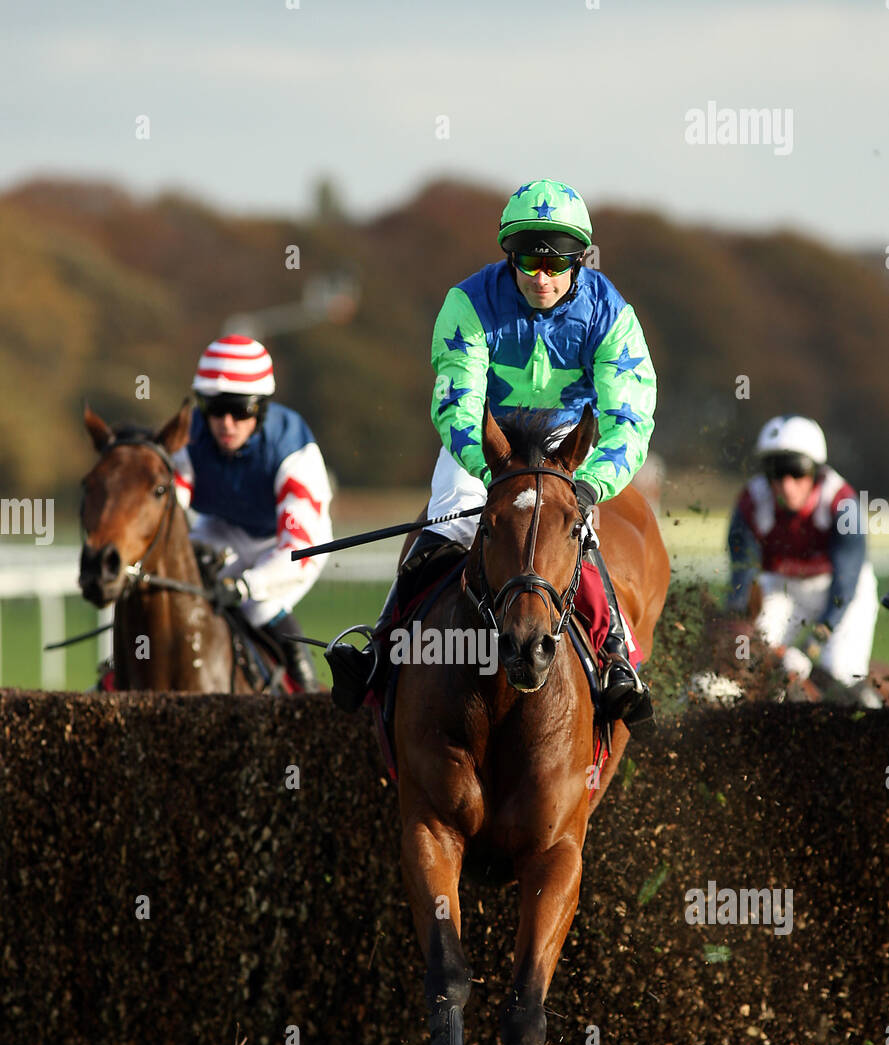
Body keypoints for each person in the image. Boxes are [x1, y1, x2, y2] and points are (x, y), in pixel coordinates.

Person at [327, 179, 657, 723]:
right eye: (530, 260)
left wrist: (590, 482)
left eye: (559, 262)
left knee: (578, 533)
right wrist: (494, 472)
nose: (543, 276)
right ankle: (381, 651)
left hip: (564, 447)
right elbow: (457, 403)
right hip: (486, 442)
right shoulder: (468, 303)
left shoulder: (612, 315)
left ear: (580, 259)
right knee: (445, 528)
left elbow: (629, 416)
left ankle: (618, 660)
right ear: (510, 254)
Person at [172, 334, 333, 691]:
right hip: (223, 529)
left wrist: (246, 585)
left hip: (290, 545)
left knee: (258, 607)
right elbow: (168, 509)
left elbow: (299, 550)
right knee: (180, 586)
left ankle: (305, 692)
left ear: (260, 407)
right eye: (214, 409)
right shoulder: (190, 436)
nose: (226, 423)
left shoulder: (293, 452)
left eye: (239, 409)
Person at [726, 414, 879, 703]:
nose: (786, 484)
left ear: (816, 471)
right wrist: (736, 625)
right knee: (752, 660)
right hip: (783, 586)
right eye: (776, 471)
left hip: (840, 590)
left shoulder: (842, 503)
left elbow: (844, 588)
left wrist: (811, 646)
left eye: (797, 470)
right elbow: (742, 576)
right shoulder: (750, 501)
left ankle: (867, 710)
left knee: (837, 672)